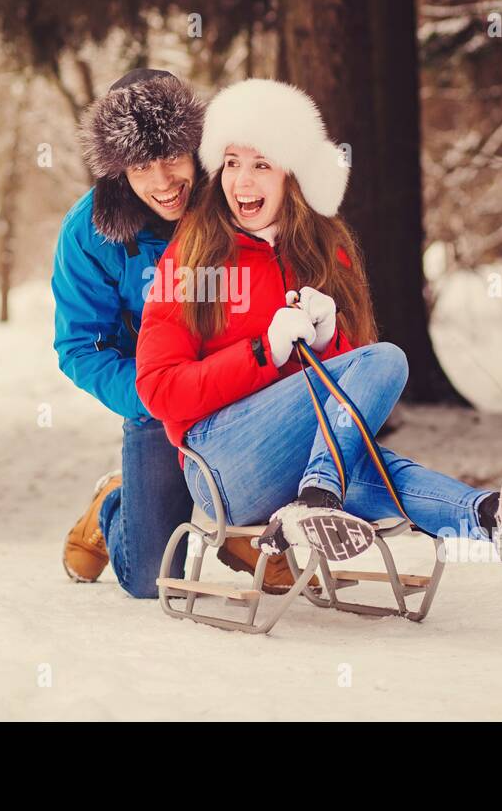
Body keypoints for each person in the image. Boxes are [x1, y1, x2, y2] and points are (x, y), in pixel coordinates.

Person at [135, 78, 502, 584]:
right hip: (219, 464)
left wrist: (331, 340)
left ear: (293, 175)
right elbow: (158, 390)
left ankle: (488, 519)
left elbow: (352, 397)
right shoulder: (195, 258)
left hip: (305, 457)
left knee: (364, 455)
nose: (242, 182)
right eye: (232, 163)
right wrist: (262, 352)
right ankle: (318, 496)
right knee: (386, 361)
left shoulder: (325, 251)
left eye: (262, 164)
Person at [54, 69, 311, 597]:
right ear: (120, 168)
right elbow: (81, 346)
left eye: (172, 157)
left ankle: (241, 525)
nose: (163, 181)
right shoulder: (90, 232)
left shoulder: (233, 199)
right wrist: (158, 396)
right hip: (159, 401)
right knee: (152, 579)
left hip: (242, 385)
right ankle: (114, 501)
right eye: (142, 165)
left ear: (197, 150)